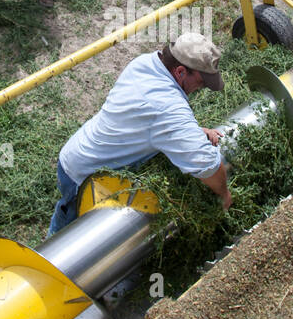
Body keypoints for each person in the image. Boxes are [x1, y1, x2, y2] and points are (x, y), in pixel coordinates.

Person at [48, 32, 232, 235]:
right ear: (180, 72)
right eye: (201, 82)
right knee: (68, 235)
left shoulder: (146, 63)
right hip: (82, 174)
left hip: (83, 147)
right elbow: (207, 166)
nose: (202, 87)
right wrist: (224, 194)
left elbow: (143, 117)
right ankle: (46, 258)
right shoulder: (165, 107)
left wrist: (193, 132)